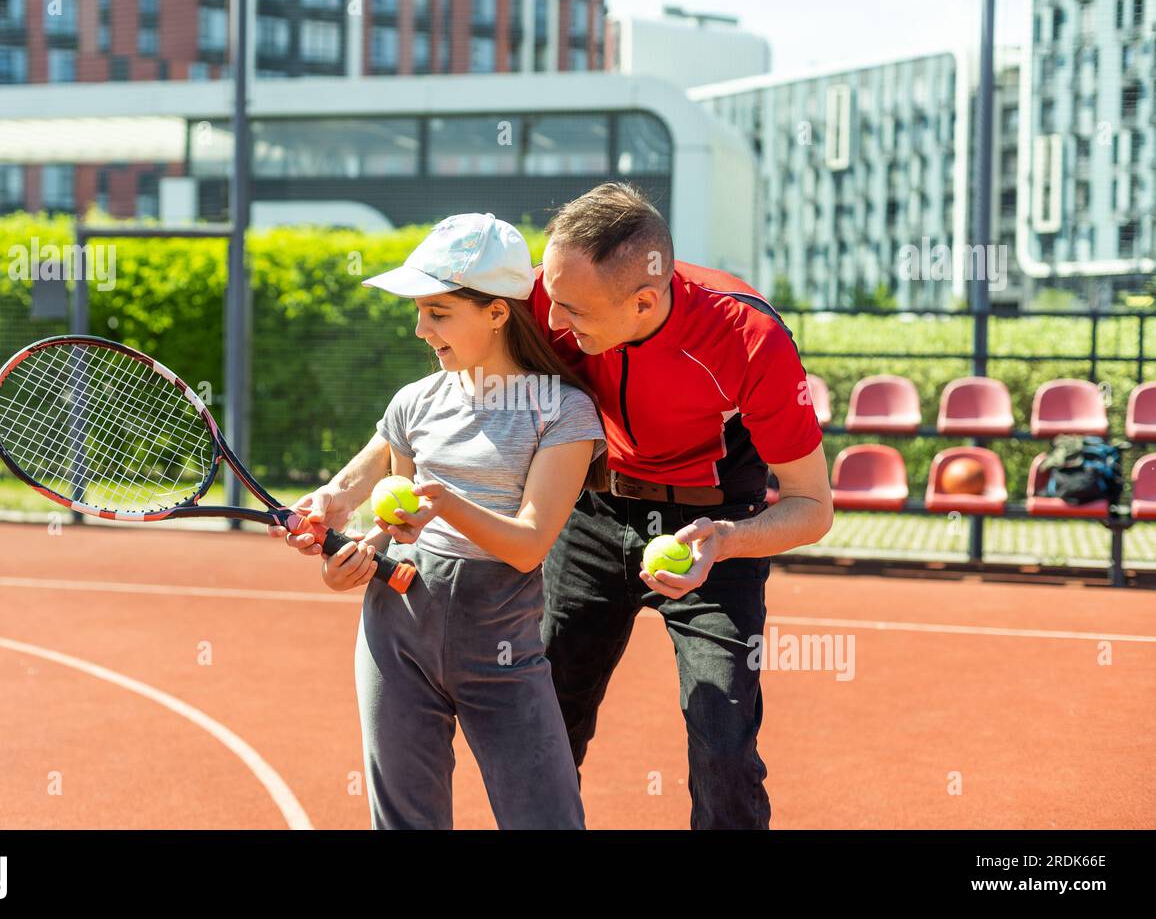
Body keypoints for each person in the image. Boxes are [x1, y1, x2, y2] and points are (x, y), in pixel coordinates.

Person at [280, 184, 834, 830]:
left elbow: (810, 507)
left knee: (724, 741)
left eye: (572, 311)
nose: (553, 323)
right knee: (548, 726)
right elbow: (426, 407)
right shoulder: (541, 295)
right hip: (593, 516)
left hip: (710, 524)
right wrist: (345, 494)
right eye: (548, 298)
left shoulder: (749, 339)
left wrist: (726, 543)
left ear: (644, 300)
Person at [280, 213, 607, 830]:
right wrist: (349, 557)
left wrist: (447, 502)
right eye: (419, 312)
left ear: (497, 312)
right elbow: (389, 520)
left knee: (548, 819)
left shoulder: (564, 411)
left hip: (500, 646)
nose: (419, 328)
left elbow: (530, 545)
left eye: (438, 312)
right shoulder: (413, 401)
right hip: (394, 630)